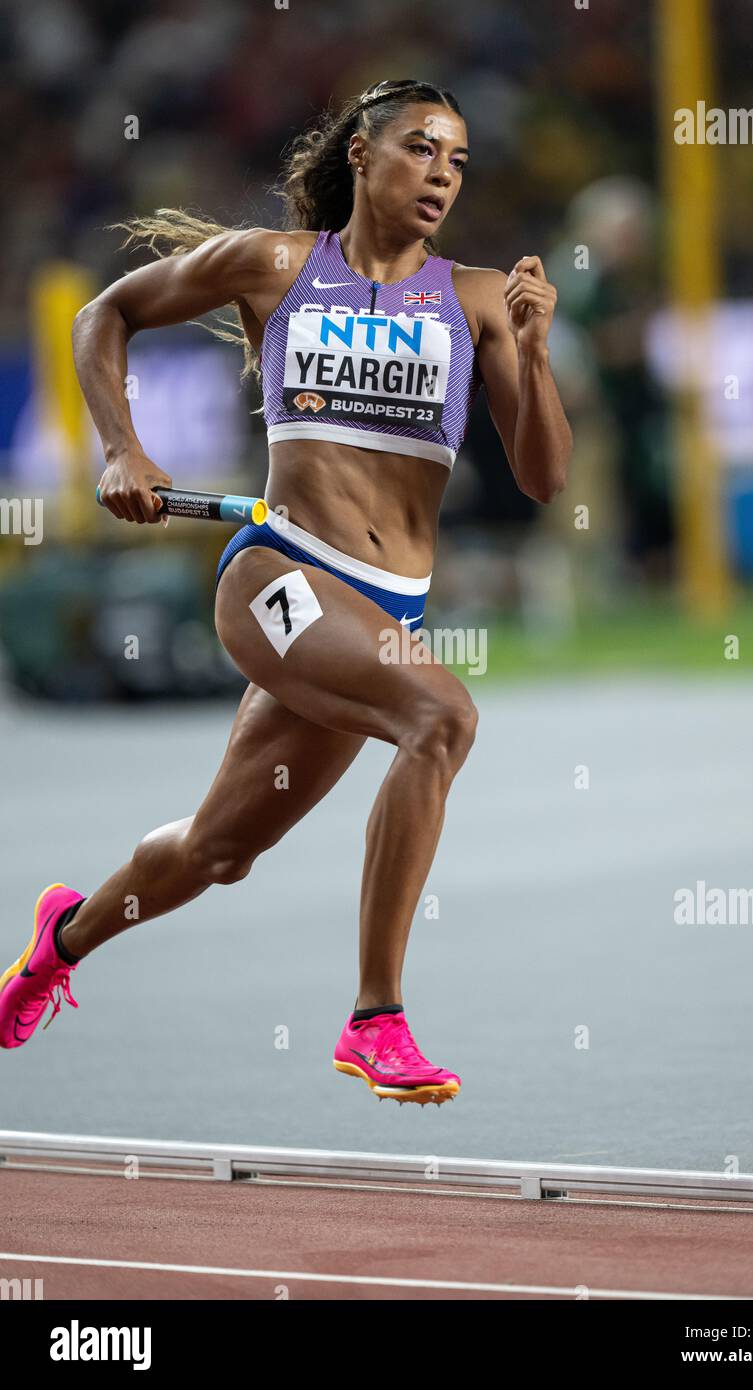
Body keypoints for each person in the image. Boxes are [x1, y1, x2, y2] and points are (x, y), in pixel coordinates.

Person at [0, 79, 572, 1105]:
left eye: (457, 161)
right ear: (360, 153)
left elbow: (543, 479)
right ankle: (375, 1018)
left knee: (220, 848)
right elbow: (105, 313)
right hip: (279, 575)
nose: (441, 172)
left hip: (377, 608)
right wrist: (121, 449)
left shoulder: (479, 298)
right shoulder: (273, 266)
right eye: (419, 149)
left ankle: (60, 939)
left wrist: (530, 357)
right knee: (441, 719)